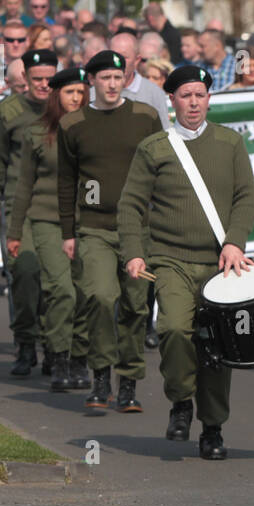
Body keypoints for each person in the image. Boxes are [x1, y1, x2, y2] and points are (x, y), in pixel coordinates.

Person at [118, 65, 254, 459]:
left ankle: (212, 428)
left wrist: (234, 242)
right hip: (170, 259)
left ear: (208, 99)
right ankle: (181, 401)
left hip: (219, 264)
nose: (193, 103)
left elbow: (246, 198)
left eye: (199, 95)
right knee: (175, 329)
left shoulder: (230, 143)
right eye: (185, 96)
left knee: (217, 346)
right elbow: (130, 204)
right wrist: (133, 252)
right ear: (172, 101)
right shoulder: (154, 148)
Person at [58, 49, 163, 412]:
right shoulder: (73, 124)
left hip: (139, 229)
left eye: (118, 77)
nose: (113, 84)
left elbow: (160, 172)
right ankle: (100, 374)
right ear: (91, 81)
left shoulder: (145, 117)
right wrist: (68, 232)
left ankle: (129, 381)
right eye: (105, 78)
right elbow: (67, 181)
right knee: (100, 297)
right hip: (94, 228)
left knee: (136, 305)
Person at [7, 67, 92, 391]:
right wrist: (15, 233)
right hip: (47, 221)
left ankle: (79, 358)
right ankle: (57, 357)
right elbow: (24, 185)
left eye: (81, 92)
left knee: (87, 293)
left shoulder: (95, 131)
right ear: (57, 95)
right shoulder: (38, 133)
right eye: (70, 92)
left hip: (88, 222)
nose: (76, 97)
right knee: (63, 291)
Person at [0, 49, 57, 375]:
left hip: (56, 205)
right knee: (25, 272)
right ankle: (26, 343)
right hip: (18, 207)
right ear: (24, 79)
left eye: (49, 79)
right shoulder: (7, 112)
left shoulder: (67, 108)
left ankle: (54, 347)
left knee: (54, 281)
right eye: (37, 79)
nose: (44, 85)